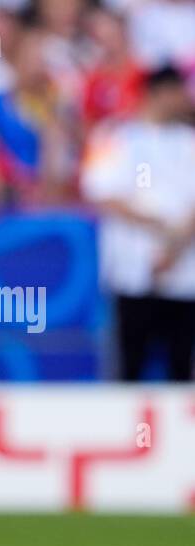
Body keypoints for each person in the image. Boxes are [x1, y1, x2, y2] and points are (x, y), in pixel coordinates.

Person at [81, 65, 195, 381]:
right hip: (132, 270)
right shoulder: (114, 137)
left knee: (180, 368)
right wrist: (160, 227)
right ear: (157, 93)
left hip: (184, 271)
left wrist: (175, 245)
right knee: (130, 366)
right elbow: (101, 192)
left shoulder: (189, 142)